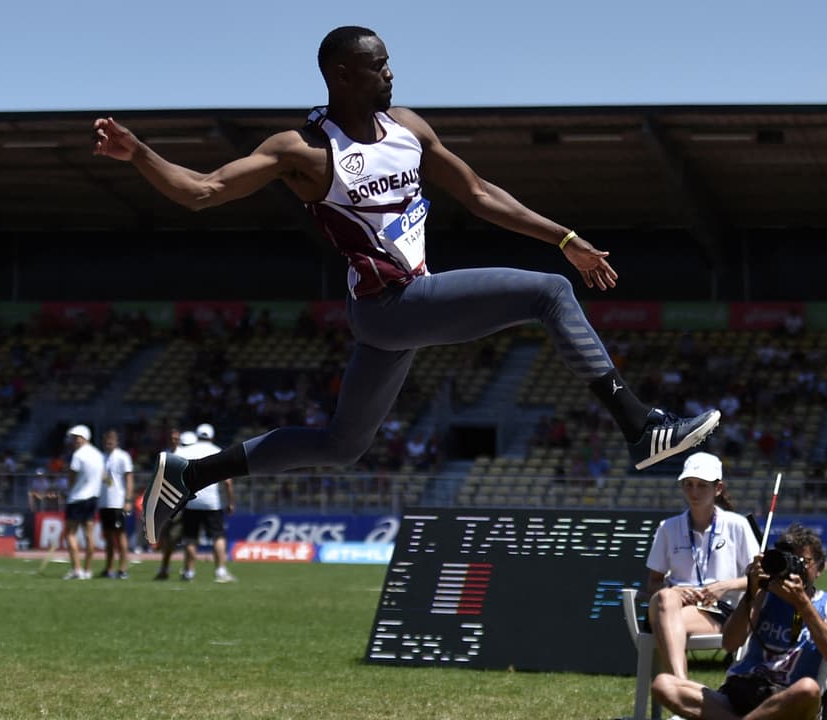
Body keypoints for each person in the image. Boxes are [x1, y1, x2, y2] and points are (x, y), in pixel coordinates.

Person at [93, 25, 721, 546]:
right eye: (378, 66)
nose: (391, 73)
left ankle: (193, 471)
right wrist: (142, 154)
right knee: (549, 293)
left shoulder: (409, 130)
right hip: (387, 305)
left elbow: (477, 192)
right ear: (341, 74)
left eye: (390, 63)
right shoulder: (306, 151)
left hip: (401, 310)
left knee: (343, 445)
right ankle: (642, 427)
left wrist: (563, 237)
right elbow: (202, 192)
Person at [652, 524, 827, 720]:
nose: (796, 567)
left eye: (803, 561)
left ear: (819, 567)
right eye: (789, 560)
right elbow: (730, 643)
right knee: (664, 684)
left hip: (788, 702)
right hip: (741, 693)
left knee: (808, 689)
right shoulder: (764, 596)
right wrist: (751, 592)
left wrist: (803, 604)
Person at [644, 452, 758, 681]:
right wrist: (673, 591)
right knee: (666, 598)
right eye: (688, 485)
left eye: (702, 486)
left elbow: (759, 578)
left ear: (718, 488)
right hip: (672, 605)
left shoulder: (737, 525)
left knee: (666, 619)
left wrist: (724, 586)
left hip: (719, 610)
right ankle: (683, 690)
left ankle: (679, 691)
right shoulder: (668, 527)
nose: (694, 492)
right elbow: (653, 582)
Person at [176, 423, 237, 583]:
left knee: (190, 538)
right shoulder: (218, 451)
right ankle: (220, 572)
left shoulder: (186, 451)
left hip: (191, 501)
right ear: (212, 436)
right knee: (218, 537)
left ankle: (189, 573)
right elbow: (228, 482)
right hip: (212, 503)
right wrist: (230, 501)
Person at [61, 425, 104, 581]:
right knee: (88, 535)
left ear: (84, 438)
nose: (73, 441)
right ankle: (87, 570)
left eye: (76, 437)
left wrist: (68, 490)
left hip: (77, 498)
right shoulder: (98, 454)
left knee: (70, 534)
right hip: (92, 498)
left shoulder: (78, 455)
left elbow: (71, 478)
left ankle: (77, 569)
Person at [154, 430, 195, 581]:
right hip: (168, 501)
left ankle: (187, 570)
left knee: (186, 537)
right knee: (168, 539)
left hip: (184, 502)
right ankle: (164, 568)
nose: (174, 441)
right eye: (171, 438)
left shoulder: (185, 455)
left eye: (176, 438)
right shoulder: (164, 455)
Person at [97, 429, 135, 579]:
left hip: (118, 503)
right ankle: (109, 568)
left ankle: (123, 569)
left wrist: (128, 500)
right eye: (107, 440)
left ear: (117, 441)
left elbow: (129, 479)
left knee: (120, 536)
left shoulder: (123, 456)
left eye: (112, 440)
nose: (109, 443)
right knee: (108, 537)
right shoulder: (101, 457)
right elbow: (108, 481)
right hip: (104, 502)